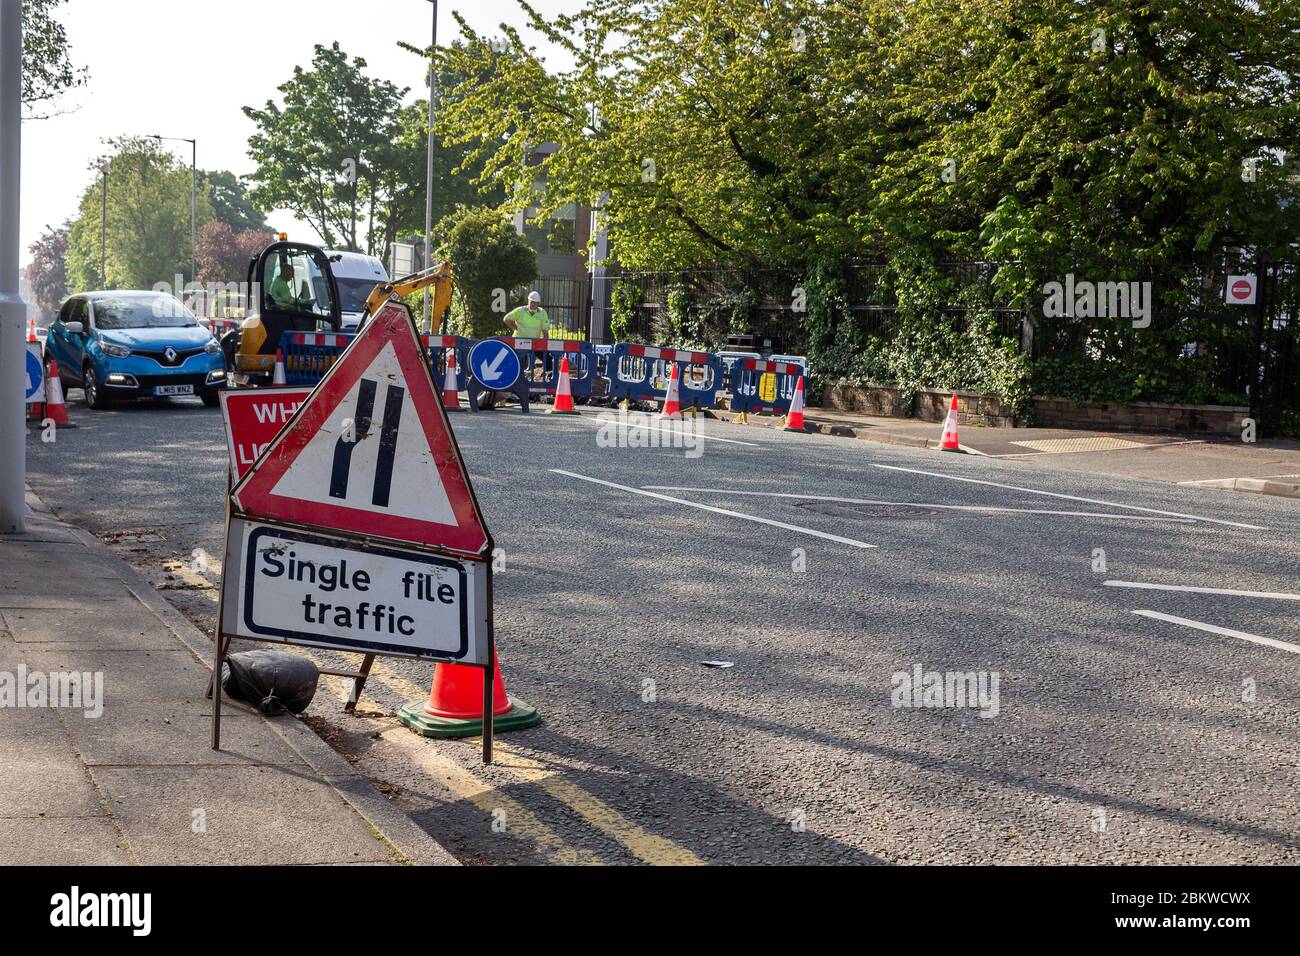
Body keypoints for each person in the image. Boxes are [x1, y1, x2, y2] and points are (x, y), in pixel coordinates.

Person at [504, 291, 550, 380]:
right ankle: (514, 379)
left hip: (535, 343)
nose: (533, 304)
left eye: (535, 303)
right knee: (518, 362)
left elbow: (545, 331)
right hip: (519, 342)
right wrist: (515, 328)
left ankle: (547, 378)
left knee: (548, 359)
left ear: (538, 303)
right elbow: (507, 319)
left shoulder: (542, 313)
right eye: (531, 302)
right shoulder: (520, 310)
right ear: (528, 301)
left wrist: (546, 345)